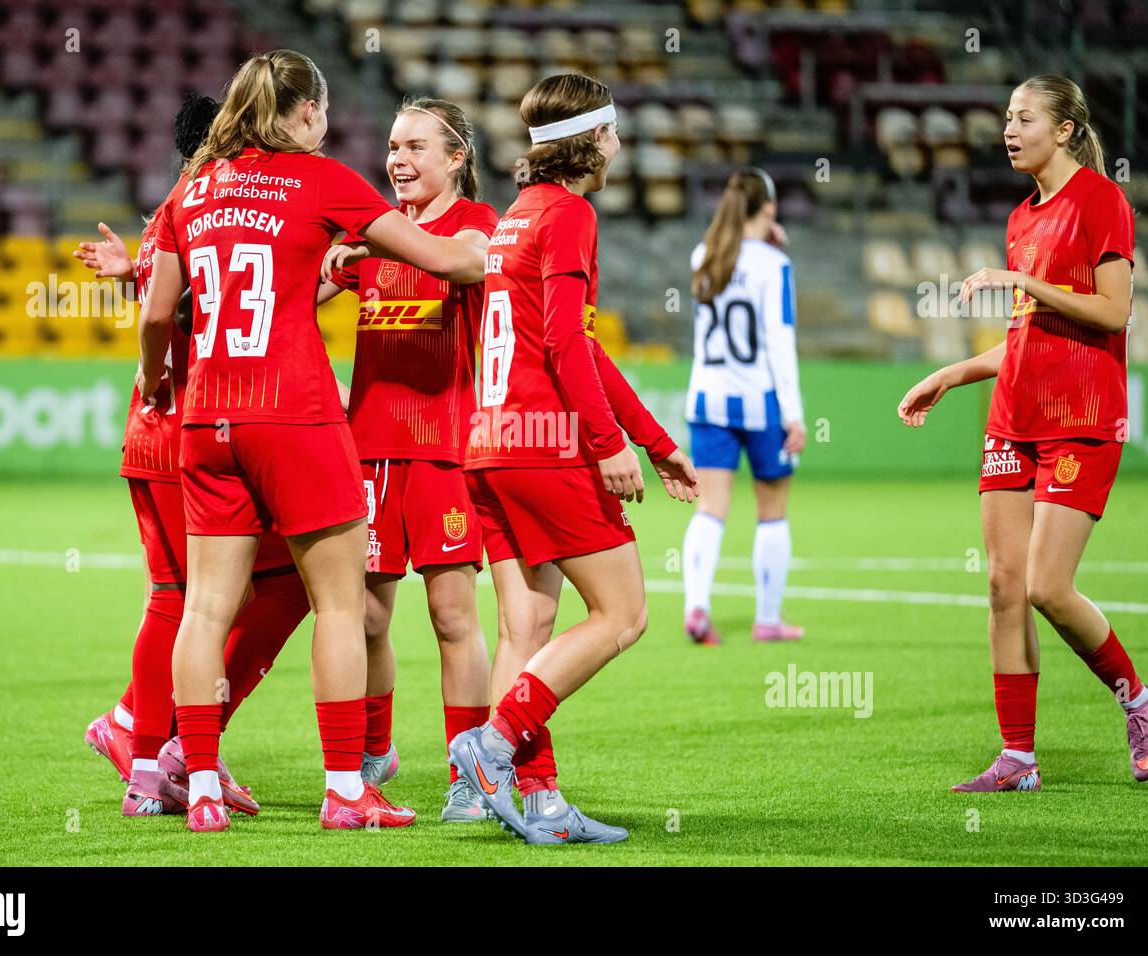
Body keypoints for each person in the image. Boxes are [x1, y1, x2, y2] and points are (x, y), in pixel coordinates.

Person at [139, 50, 488, 832]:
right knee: (339, 604)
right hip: (294, 415)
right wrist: (509, 251)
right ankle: (345, 789)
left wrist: (155, 377)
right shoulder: (320, 178)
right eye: (323, 111)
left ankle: (196, 787)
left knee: (204, 609)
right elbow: (441, 256)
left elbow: (159, 312)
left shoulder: (193, 188)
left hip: (207, 418)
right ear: (305, 111)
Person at [445, 73, 698, 844]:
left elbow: (579, 343)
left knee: (528, 630)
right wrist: (607, 444)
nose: (619, 145)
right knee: (623, 615)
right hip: (541, 445)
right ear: (595, 141)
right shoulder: (571, 215)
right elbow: (562, 344)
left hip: (489, 445)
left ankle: (544, 802)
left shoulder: (518, 216)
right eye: (614, 131)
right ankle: (490, 747)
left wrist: (653, 443)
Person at [898, 75, 1148, 792]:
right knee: (1003, 586)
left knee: (1048, 585)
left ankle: (1137, 699)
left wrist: (1020, 278)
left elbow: (1112, 315)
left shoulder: (1101, 203)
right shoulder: (1022, 217)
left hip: (1081, 420)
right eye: (1007, 118)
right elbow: (1027, 334)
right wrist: (955, 372)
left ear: (1067, 130)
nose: (1010, 130)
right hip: (1015, 416)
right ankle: (1017, 758)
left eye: (1025, 118)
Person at [78, 93, 309, 818]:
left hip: (159, 432)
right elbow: (171, 315)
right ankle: (167, 748)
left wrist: (136, 274)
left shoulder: (181, 204)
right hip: (195, 427)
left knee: (185, 596)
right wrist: (155, 370)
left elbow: (171, 301)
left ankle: (145, 745)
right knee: (281, 583)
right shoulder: (213, 203)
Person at [317, 97, 496, 823]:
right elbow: (296, 292)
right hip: (367, 454)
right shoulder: (373, 238)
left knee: (453, 615)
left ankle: (470, 772)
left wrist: (370, 245)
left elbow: (470, 266)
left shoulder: (476, 226)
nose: (398, 160)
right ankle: (372, 754)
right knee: (361, 616)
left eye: (417, 147)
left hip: (446, 452)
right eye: (393, 146)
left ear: (456, 159)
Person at [680, 167, 806, 645]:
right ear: (770, 209)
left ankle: (696, 607)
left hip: (707, 398)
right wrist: (793, 412)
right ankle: (768, 620)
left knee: (711, 508)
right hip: (761, 402)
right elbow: (780, 342)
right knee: (771, 509)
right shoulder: (775, 266)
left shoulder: (703, 255)